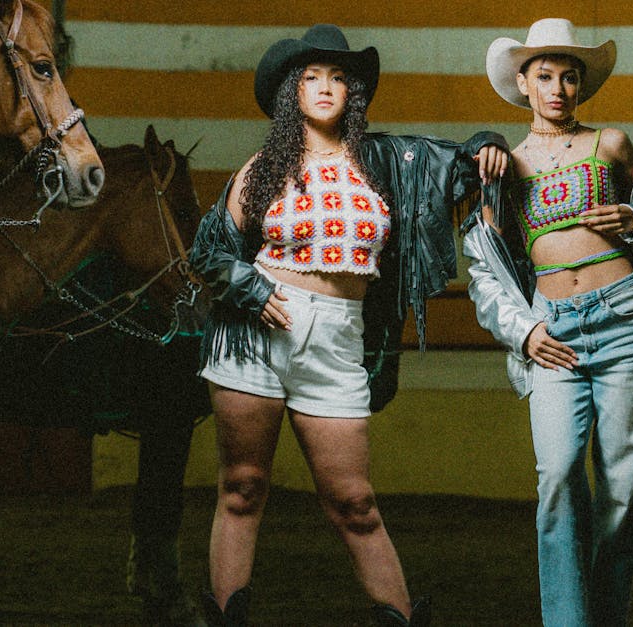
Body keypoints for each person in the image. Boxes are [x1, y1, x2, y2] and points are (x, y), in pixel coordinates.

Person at [187, 24, 508, 626]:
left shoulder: (385, 159)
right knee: (243, 487)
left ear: (353, 94)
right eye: (312, 78)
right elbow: (210, 249)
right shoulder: (264, 167)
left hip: (338, 336)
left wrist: (487, 141)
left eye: (338, 78)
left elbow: (459, 165)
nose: (326, 87)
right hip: (256, 334)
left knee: (355, 502)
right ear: (292, 92)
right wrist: (252, 290)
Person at [465, 18, 633, 626]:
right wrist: (525, 331)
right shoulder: (504, 166)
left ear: (581, 85)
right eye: (545, 76)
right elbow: (483, 263)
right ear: (523, 83)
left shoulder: (610, 144)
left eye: (568, 76)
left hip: (625, 324)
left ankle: (606, 618)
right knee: (559, 477)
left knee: (620, 492)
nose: (558, 88)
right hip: (551, 334)